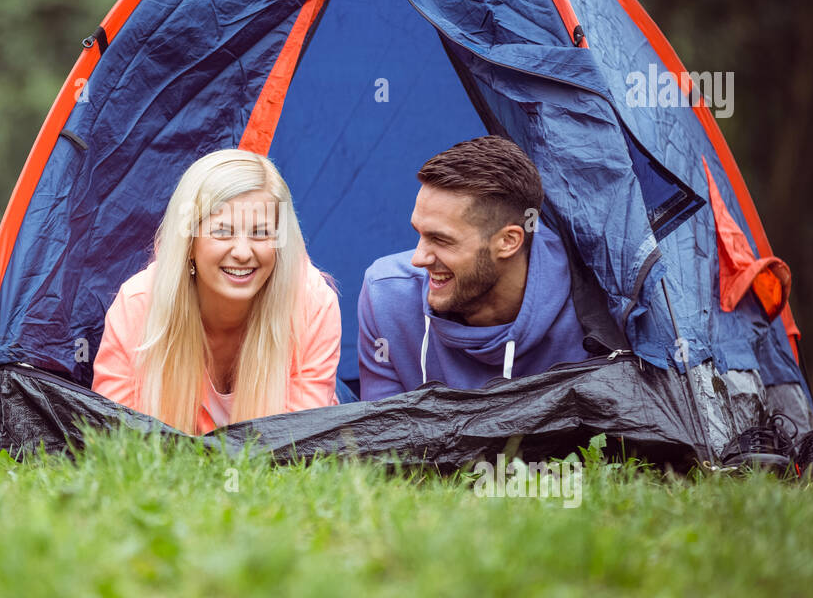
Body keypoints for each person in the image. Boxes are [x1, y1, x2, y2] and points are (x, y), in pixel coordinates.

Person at [93, 149, 341, 435]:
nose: (243, 252)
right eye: (223, 231)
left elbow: (300, 443)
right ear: (189, 241)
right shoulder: (138, 305)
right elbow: (113, 439)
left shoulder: (312, 304)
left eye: (261, 233)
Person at [357, 135, 592, 400]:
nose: (418, 259)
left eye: (440, 239)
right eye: (419, 234)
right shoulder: (386, 295)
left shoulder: (594, 297)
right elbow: (380, 433)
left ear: (508, 241)